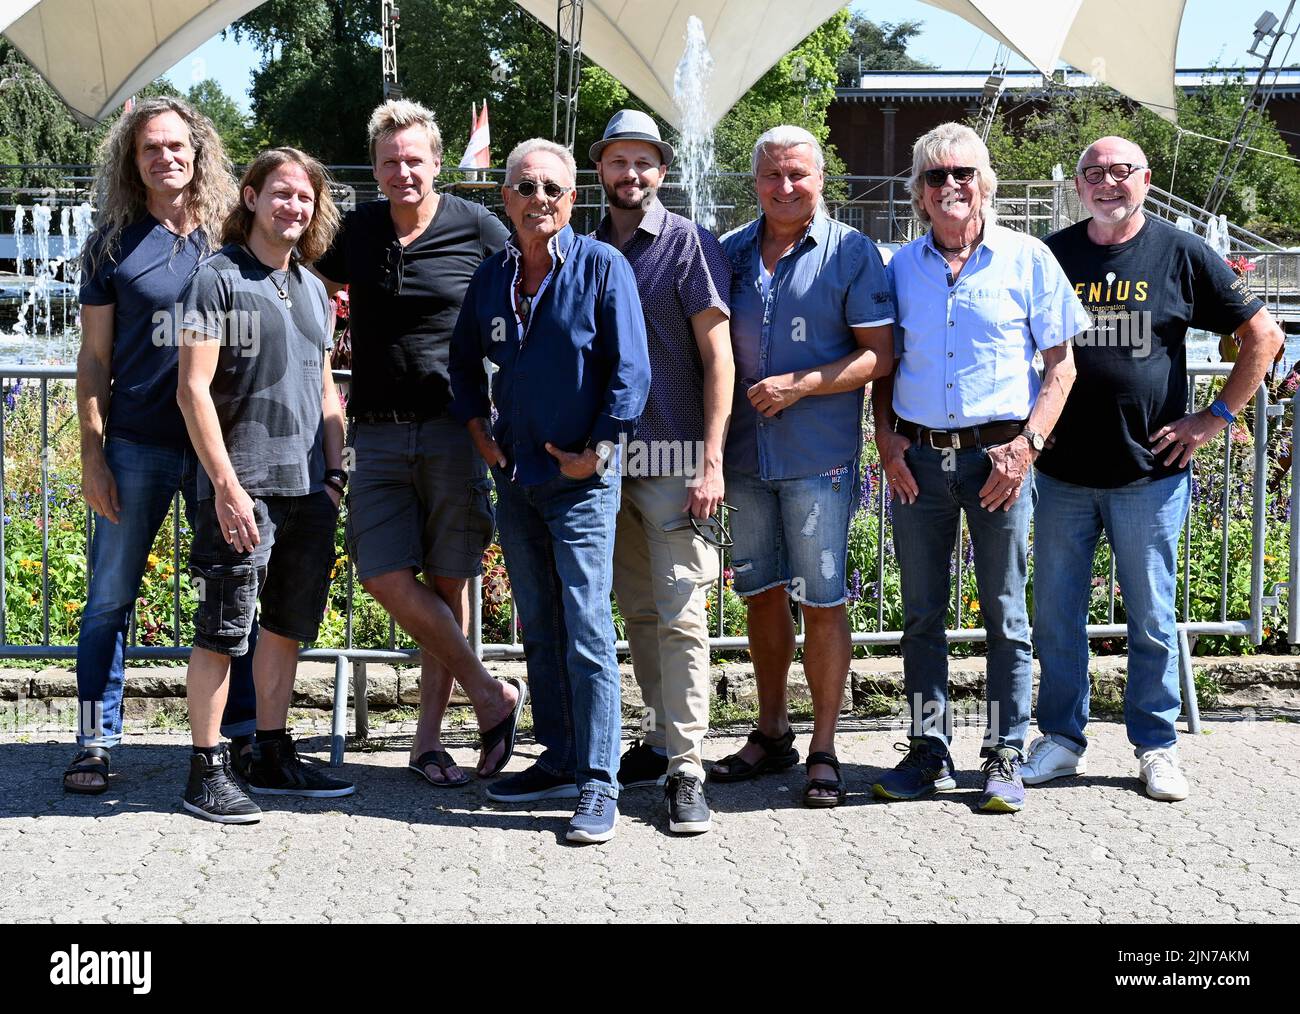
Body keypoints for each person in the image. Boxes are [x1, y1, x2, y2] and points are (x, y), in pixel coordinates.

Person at [1026, 135, 1284, 801]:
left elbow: (1264, 335)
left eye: (1122, 171)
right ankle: (1059, 739)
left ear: (1145, 179)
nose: (1108, 182)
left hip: (1150, 474)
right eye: (1095, 173)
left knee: (1150, 617)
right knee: (1055, 616)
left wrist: (1214, 417)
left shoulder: (1181, 251)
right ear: (1078, 186)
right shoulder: (1054, 255)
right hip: (1062, 474)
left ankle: (1156, 745)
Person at [872, 122, 1089, 813]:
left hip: (1001, 460)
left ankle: (1004, 753)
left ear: (985, 182)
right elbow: (884, 364)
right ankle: (929, 749)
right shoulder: (899, 266)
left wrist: (1027, 449)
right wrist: (885, 441)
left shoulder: (1028, 260)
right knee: (921, 616)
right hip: (920, 463)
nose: (952, 187)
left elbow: (1062, 369)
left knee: (1005, 616)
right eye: (936, 177)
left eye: (963, 173)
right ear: (919, 193)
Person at [311, 100, 524, 788]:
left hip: (454, 427)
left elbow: (532, 288)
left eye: (414, 159)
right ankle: (492, 697)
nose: (403, 171)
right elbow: (305, 277)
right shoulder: (359, 230)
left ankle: (427, 742)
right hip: (374, 427)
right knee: (380, 570)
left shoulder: (477, 227)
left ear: (437, 162)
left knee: (450, 577)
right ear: (374, 169)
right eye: (390, 161)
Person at [450, 138, 650, 843]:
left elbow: (631, 373)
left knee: (588, 629)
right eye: (526, 188)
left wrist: (596, 452)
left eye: (554, 190)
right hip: (519, 481)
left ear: (573, 201)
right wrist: (479, 429)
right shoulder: (492, 276)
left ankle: (600, 784)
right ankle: (560, 756)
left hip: (583, 484)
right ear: (504, 199)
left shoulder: (603, 267)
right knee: (539, 622)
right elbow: (463, 364)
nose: (540, 200)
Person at [68, 96, 259, 794]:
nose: (165, 157)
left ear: (198, 152)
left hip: (221, 450)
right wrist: (93, 454)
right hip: (137, 445)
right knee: (108, 600)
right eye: (150, 148)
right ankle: (92, 738)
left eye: (176, 146)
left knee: (235, 592)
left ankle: (237, 738)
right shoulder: (110, 243)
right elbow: (92, 360)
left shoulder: (231, 237)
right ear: (133, 160)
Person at [707, 125, 894, 808]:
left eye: (798, 175)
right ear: (754, 181)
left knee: (822, 600)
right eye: (772, 175)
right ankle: (771, 730)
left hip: (818, 457)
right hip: (746, 457)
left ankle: (823, 747)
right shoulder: (727, 251)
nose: (785, 188)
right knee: (759, 594)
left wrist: (803, 384)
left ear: (822, 180)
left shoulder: (852, 253)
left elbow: (880, 355)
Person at [176, 147, 352, 823]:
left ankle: (270, 752)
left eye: (304, 197)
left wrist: (335, 474)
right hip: (240, 486)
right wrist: (223, 486)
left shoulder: (312, 286)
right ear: (250, 197)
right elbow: (193, 390)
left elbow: (325, 390)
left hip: (308, 486)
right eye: (280, 193)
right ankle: (206, 770)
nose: (294, 206)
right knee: (223, 628)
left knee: (285, 625)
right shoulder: (215, 279)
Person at [590, 110, 734, 834]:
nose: (631, 175)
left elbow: (719, 357)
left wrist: (713, 459)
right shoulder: (584, 250)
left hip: (675, 460)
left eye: (644, 163)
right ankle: (657, 737)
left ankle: (688, 769)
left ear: (662, 172)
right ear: (601, 171)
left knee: (681, 615)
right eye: (619, 162)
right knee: (639, 613)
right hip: (609, 463)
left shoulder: (686, 244)